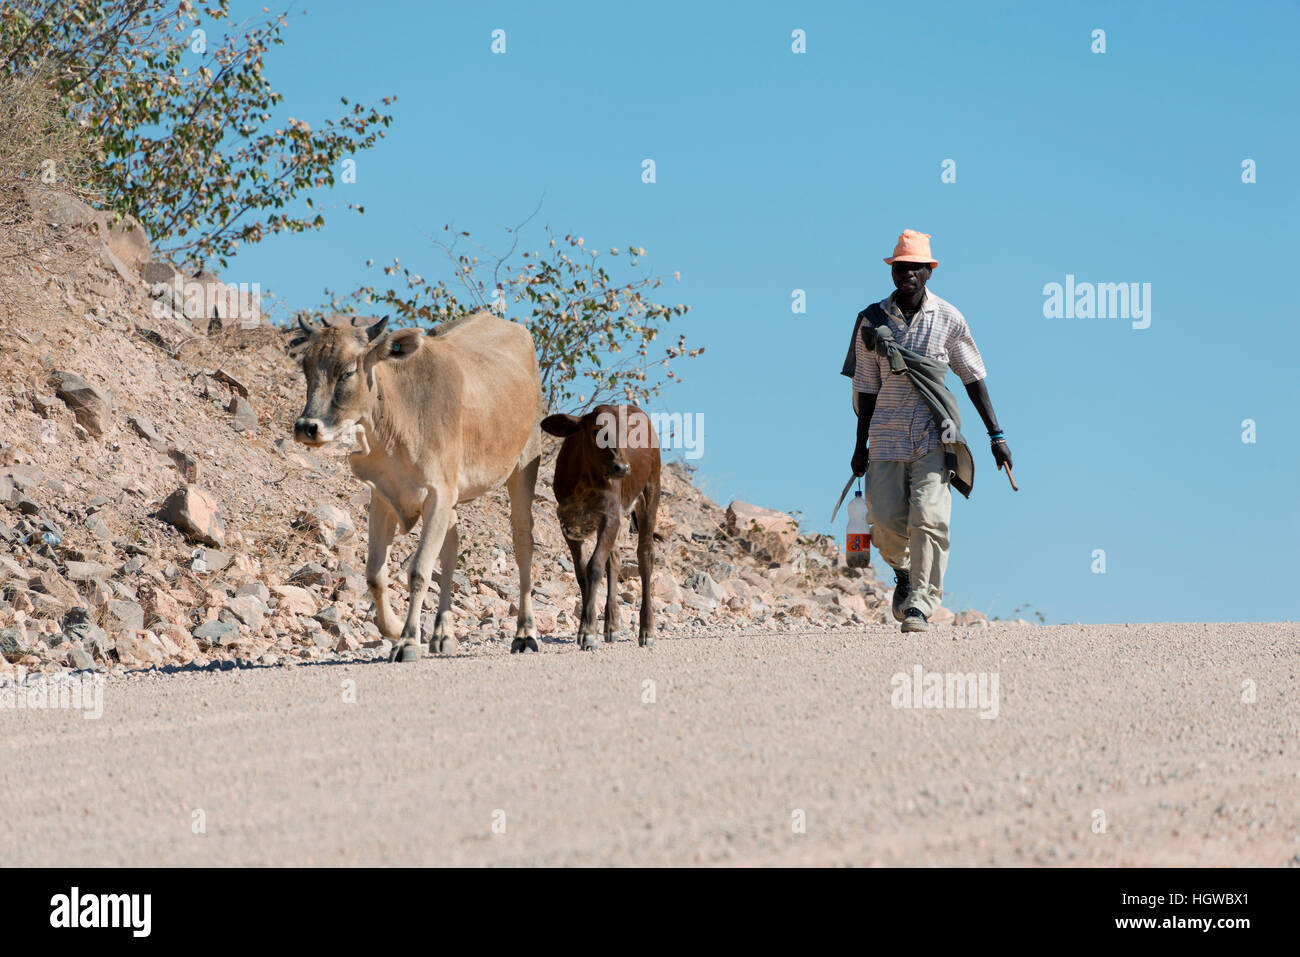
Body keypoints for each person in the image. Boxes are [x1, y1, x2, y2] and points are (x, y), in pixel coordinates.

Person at [841, 229, 1012, 633]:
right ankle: (902, 572)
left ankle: (920, 602)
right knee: (882, 521)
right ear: (893, 270)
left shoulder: (949, 318)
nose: (908, 274)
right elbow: (865, 388)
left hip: (936, 437)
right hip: (885, 437)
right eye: (901, 267)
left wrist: (996, 436)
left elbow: (973, 378)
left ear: (929, 271)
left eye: (916, 267)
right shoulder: (871, 321)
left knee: (929, 519)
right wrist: (859, 445)